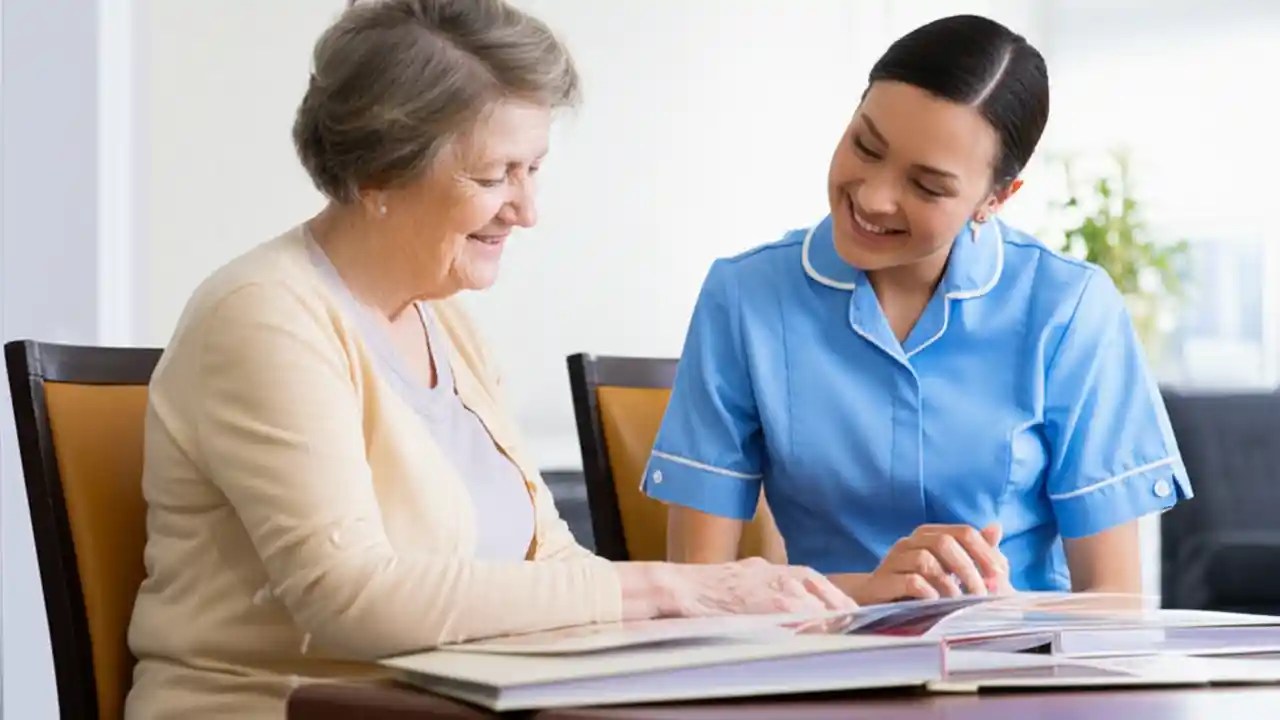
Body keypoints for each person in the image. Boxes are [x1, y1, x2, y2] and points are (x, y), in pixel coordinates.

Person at [124, 2, 852, 717]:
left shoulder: (446, 323)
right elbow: (349, 598)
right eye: (494, 175)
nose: (526, 209)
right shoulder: (264, 317)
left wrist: (720, 621)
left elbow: (553, 564)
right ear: (378, 172)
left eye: (533, 168)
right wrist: (676, 590)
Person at [643, 15, 1192, 606]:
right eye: (865, 146)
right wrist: (870, 592)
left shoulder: (1069, 309)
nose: (874, 198)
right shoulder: (745, 297)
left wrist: (1003, 610)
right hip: (817, 671)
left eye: (928, 186)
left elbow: (1115, 602)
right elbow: (696, 593)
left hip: (1019, 675)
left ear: (995, 199)